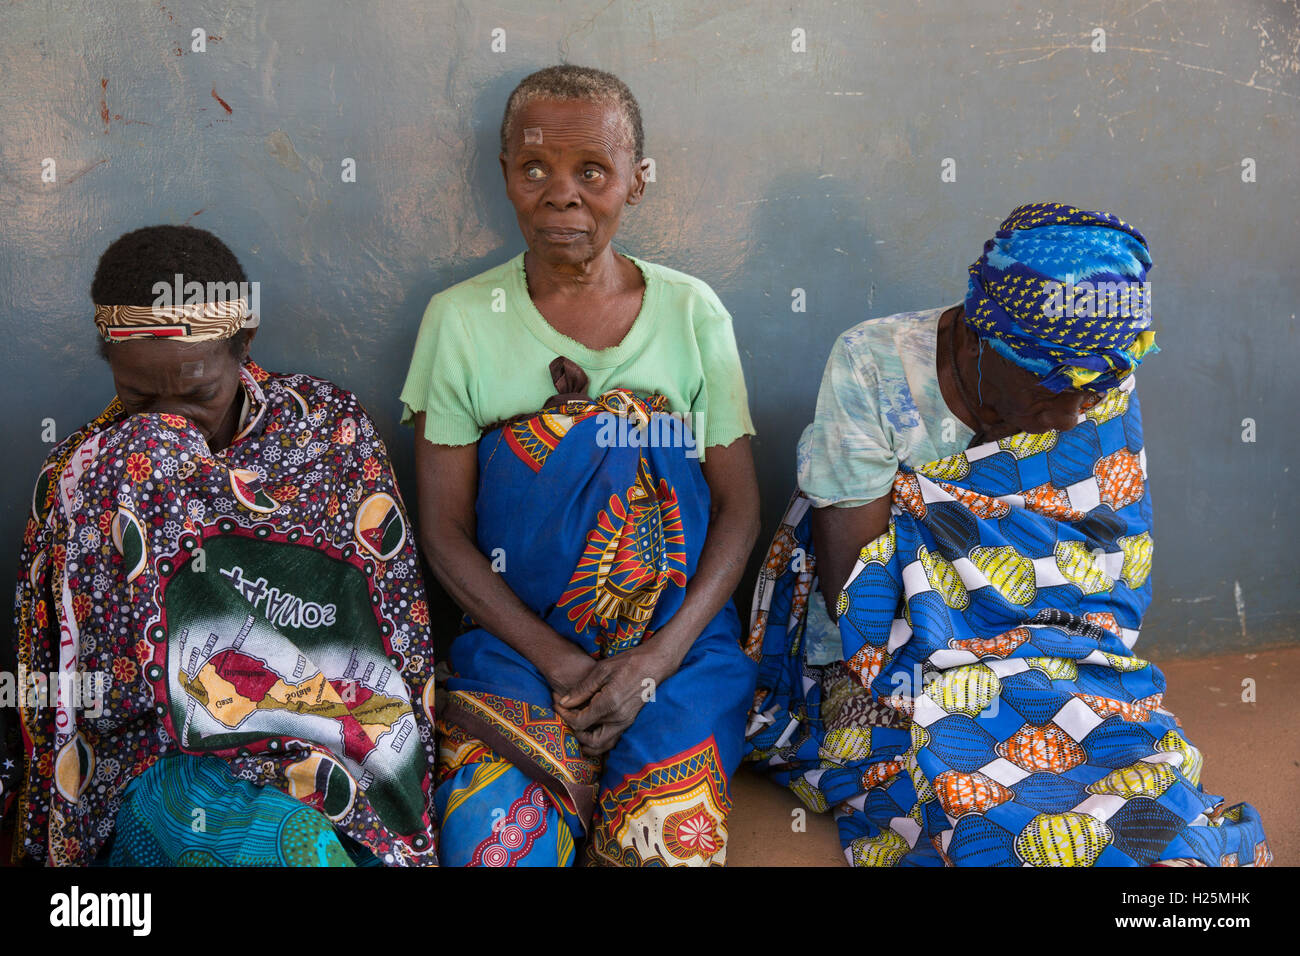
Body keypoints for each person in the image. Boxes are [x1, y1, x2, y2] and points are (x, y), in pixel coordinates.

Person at [745, 203, 1270, 867]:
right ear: (976, 340)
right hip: (894, 651)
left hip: (1053, 643)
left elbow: (1111, 553)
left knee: (1128, 774)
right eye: (1055, 384)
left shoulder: (1094, 367)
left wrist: (1022, 668)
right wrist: (960, 686)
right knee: (948, 785)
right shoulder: (874, 365)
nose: (1078, 410)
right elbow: (855, 583)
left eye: (1099, 386)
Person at [401, 65, 760, 866]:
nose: (562, 194)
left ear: (636, 182)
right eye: (535, 169)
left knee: (669, 844)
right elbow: (446, 531)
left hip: (679, 643)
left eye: (592, 171)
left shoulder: (691, 312)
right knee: (494, 843)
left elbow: (738, 513)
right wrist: (559, 660)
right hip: (516, 642)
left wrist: (655, 661)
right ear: (506, 178)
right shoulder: (461, 321)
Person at [1, 225, 439, 866]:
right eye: (140, 396)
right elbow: (65, 683)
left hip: (340, 746)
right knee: (291, 850)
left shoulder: (329, 433)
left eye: (200, 393)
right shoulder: (89, 473)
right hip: (164, 755)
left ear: (244, 345)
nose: (173, 419)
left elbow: (397, 629)